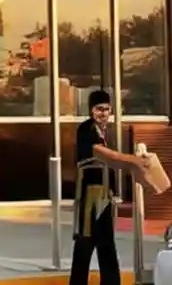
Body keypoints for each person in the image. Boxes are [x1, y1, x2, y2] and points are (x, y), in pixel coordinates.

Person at [70, 89, 150, 285]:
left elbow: (112, 159)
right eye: (99, 109)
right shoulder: (86, 129)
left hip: (105, 195)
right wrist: (132, 161)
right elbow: (101, 153)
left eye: (106, 109)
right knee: (85, 243)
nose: (103, 113)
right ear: (91, 110)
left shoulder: (107, 132)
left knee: (106, 244)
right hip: (89, 196)